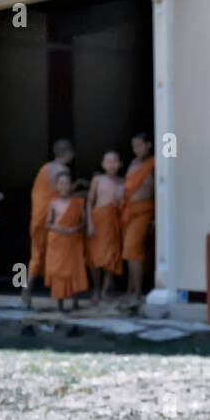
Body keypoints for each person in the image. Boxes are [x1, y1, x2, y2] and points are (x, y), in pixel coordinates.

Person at [22, 139, 74, 308]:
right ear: (69, 153)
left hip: (37, 217)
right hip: (53, 218)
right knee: (57, 256)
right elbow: (63, 192)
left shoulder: (44, 168)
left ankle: (26, 290)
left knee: (36, 254)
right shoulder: (63, 170)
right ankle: (58, 295)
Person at [45, 171, 88, 312]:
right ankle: (60, 305)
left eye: (67, 183)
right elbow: (48, 224)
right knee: (59, 274)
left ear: (71, 186)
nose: (64, 186)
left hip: (72, 241)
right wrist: (56, 227)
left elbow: (83, 222)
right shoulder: (53, 203)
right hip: (58, 243)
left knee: (74, 272)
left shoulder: (78, 202)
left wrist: (75, 228)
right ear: (56, 186)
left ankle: (75, 303)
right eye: (61, 183)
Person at [120, 132, 155, 306]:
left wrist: (155, 218)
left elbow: (159, 190)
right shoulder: (133, 164)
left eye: (140, 146)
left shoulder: (155, 164)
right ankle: (130, 290)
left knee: (133, 250)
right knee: (128, 253)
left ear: (148, 145)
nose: (136, 150)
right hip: (129, 211)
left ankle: (139, 293)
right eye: (134, 147)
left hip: (144, 211)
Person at [86, 151, 126, 303]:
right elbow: (90, 202)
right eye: (108, 161)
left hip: (113, 224)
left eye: (115, 161)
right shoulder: (98, 180)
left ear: (120, 164)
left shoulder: (123, 182)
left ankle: (104, 291)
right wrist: (89, 223)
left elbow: (125, 205)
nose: (111, 165)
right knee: (95, 258)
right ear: (103, 164)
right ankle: (96, 289)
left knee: (111, 258)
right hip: (98, 222)